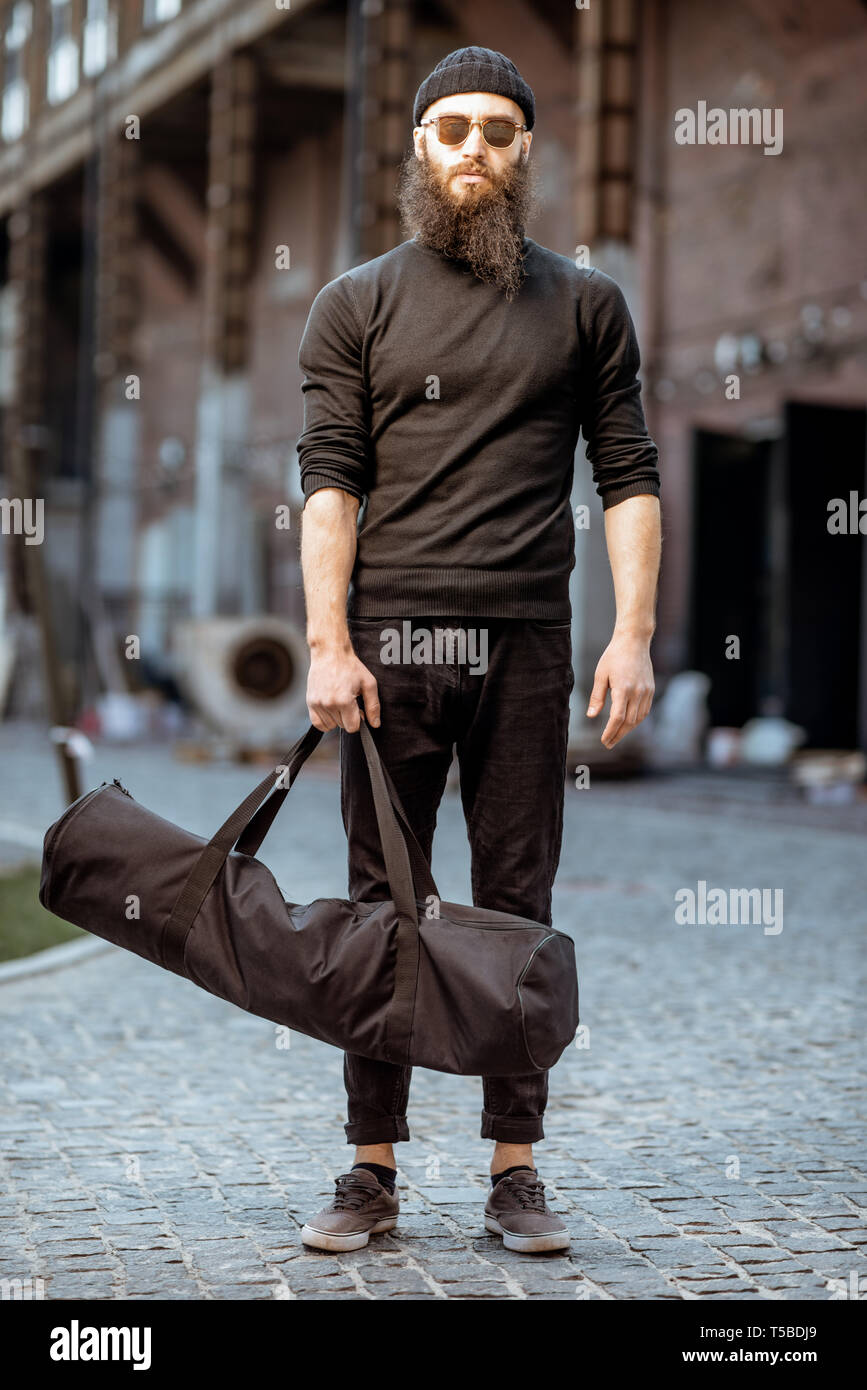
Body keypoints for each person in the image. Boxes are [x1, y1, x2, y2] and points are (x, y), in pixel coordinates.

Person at [295, 46, 662, 1254]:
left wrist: (637, 633)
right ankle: (370, 1169)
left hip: (529, 647)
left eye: (497, 130)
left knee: (518, 906)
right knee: (377, 909)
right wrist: (327, 642)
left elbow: (629, 478)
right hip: (389, 649)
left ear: (524, 151)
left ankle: (515, 1171)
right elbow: (331, 484)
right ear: (417, 145)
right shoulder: (356, 301)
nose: (473, 148)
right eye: (450, 127)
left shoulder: (586, 304)